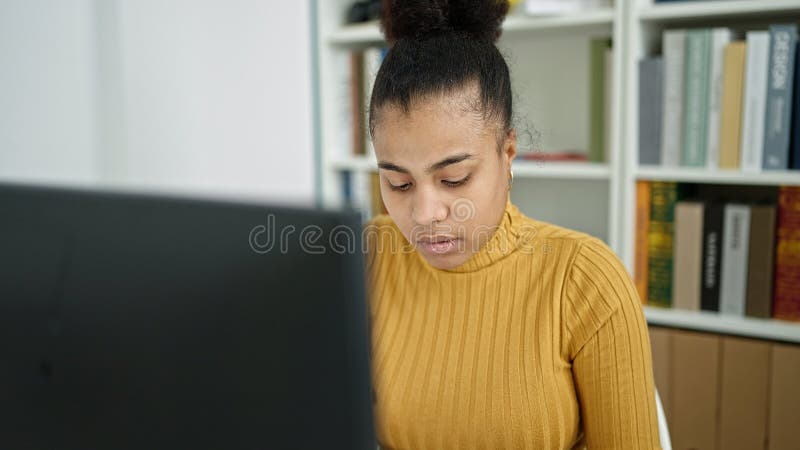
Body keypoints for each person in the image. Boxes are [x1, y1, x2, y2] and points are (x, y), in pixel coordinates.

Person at [363, 0, 661, 449]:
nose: (425, 214)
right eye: (398, 183)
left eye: (453, 179)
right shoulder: (366, 260)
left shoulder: (584, 282)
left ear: (507, 154)